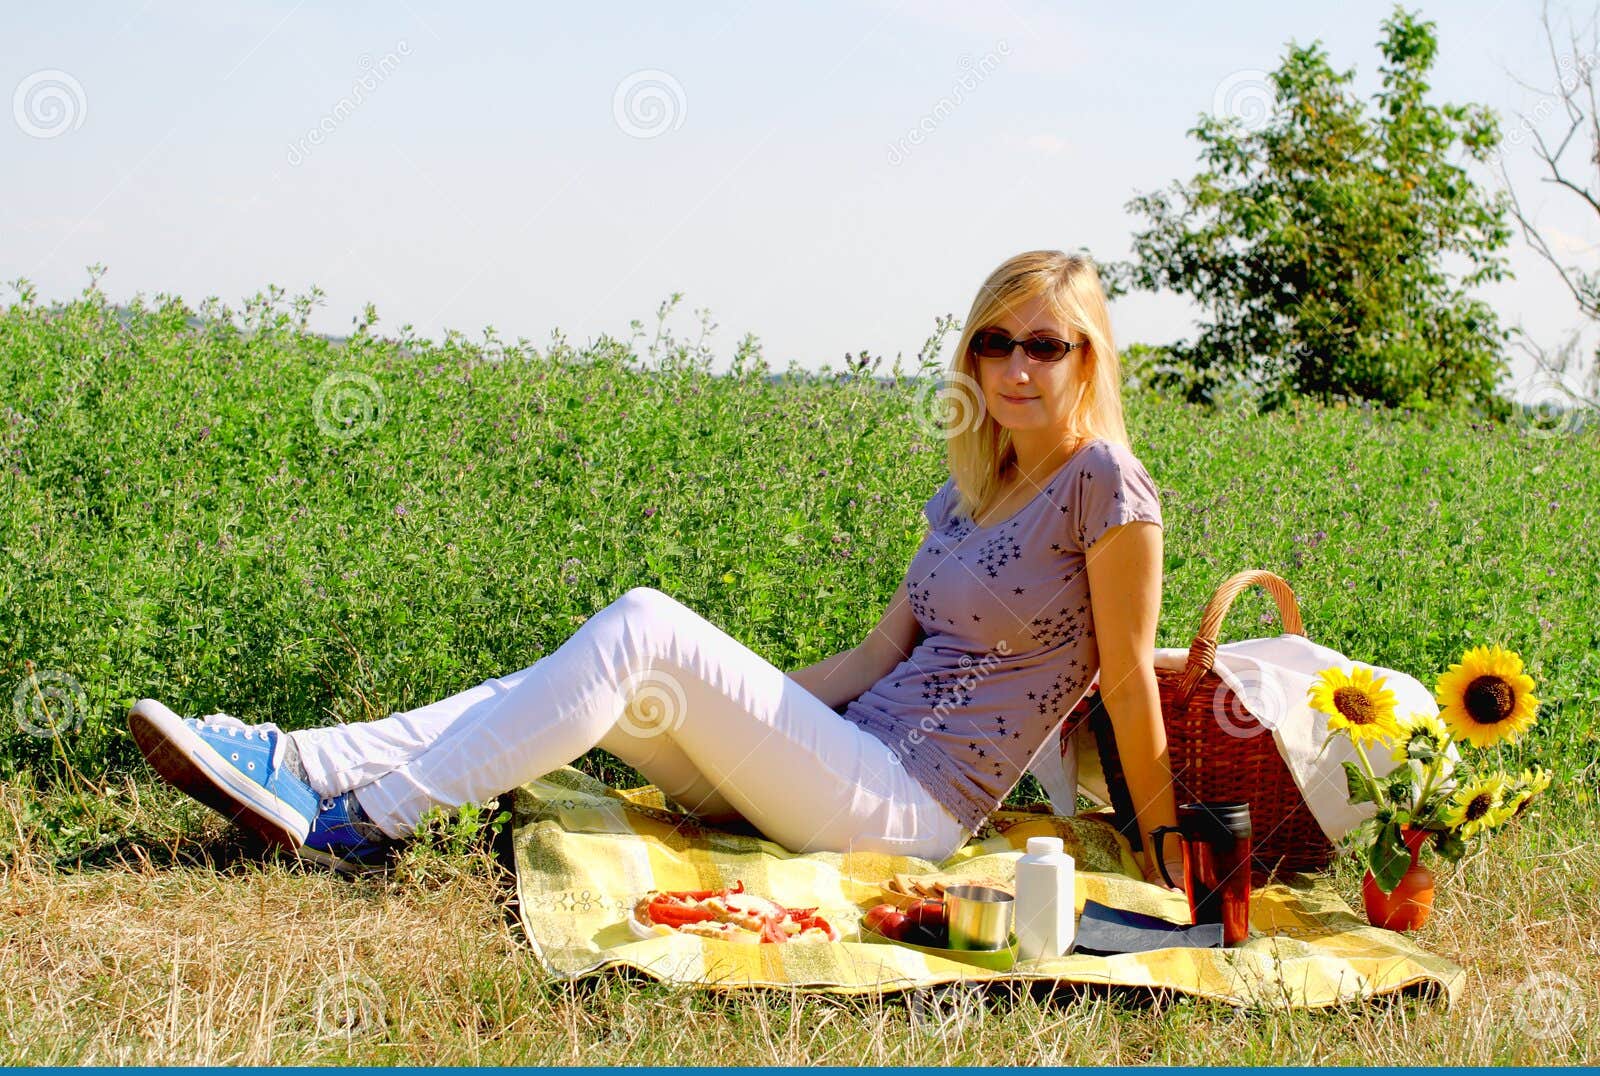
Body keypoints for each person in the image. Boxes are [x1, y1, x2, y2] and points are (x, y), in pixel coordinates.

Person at [128, 249, 1181, 884]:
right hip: (838, 766)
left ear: (1091, 357)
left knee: (640, 621)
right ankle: (296, 760)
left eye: (1046, 344)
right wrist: (750, 708)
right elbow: (870, 657)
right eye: (995, 342)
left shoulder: (1106, 484)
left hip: (911, 811)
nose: (1015, 365)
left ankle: (365, 821)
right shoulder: (964, 491)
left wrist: (1174, 845)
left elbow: (1127, 681)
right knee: (594, 669)